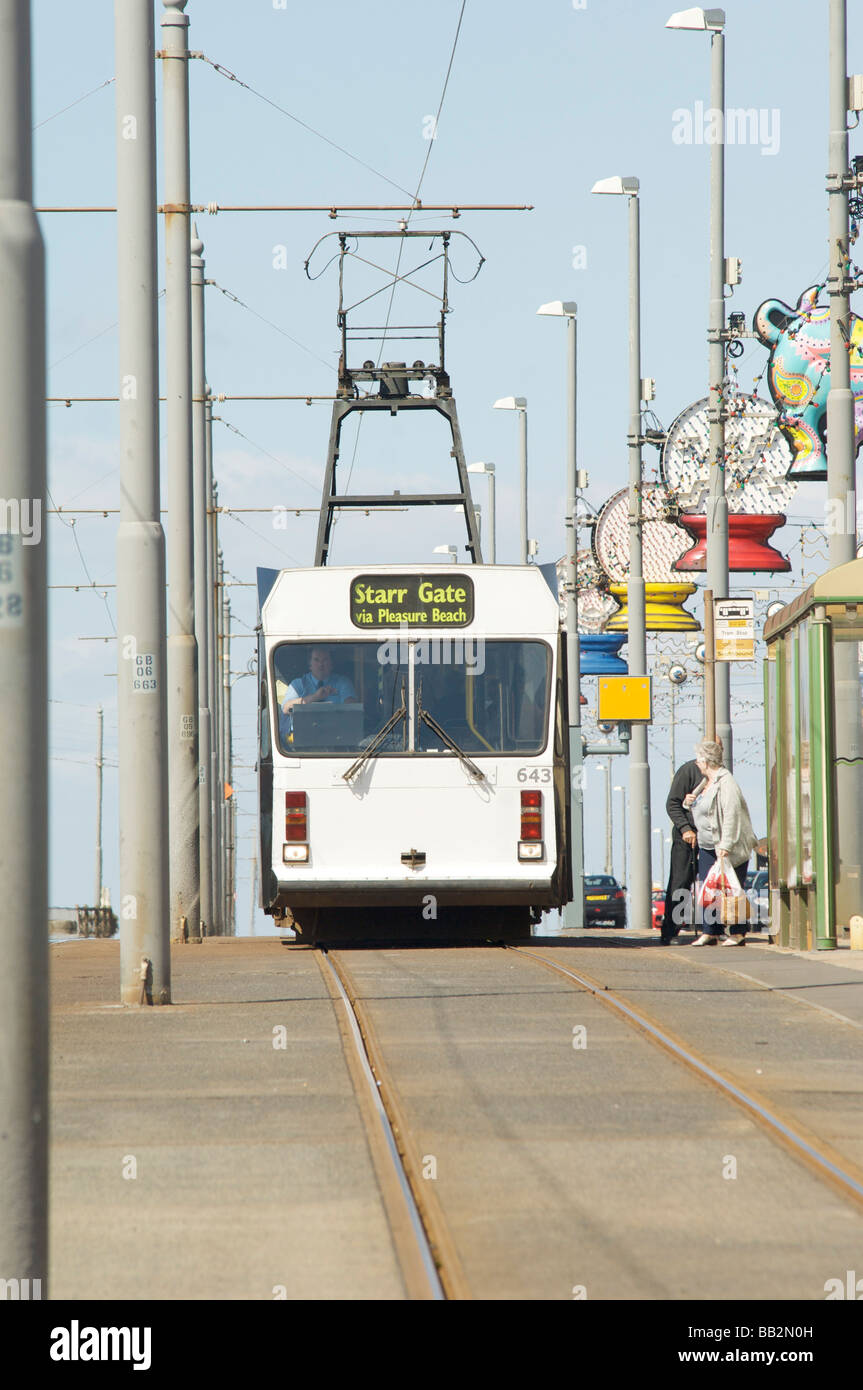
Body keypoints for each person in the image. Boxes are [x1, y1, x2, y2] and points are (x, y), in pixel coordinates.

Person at [688, 738, 758, 947]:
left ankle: (738, 933)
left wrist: (725, 846)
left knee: (732, 890)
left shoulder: (726, 783)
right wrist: (689, 801)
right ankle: (711, 931)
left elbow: (731, 815)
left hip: (727, 847)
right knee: (710, 889)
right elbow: (701, 806)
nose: (697, 762)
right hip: (708, 845)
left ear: (708, 761)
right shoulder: (707, 782)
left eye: (699, 759)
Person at [659, 749, 708, 944]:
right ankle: (670, 930)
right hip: (685, 837)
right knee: (680, 883)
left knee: (711, 883)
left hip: (710, 837)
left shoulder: (719, 775)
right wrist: (685, 828)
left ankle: (714, 928)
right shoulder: (688, 771)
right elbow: (672, 803)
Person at [276, 646, 359, 742]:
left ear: (331, 664)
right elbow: (286, 708)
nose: (321, 664)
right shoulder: (298, 684)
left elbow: (352, 709)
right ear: (310, 664)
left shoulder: (342, 683)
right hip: (301, 744)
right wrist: (315, 697)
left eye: (325, 660)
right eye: (316, 660)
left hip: (338, 741)